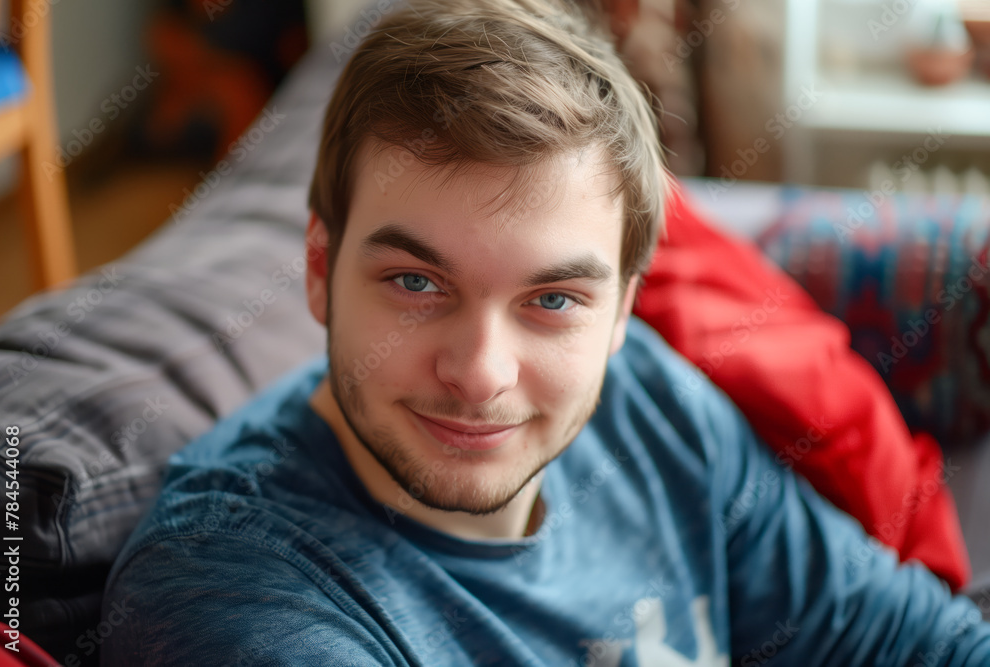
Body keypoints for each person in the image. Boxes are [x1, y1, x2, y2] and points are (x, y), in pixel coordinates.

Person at [101, 0, 990, 664]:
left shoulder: (651, 395)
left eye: (553, 299)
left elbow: (911, 638)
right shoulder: (233, 591)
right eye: (416, 282)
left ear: (620, 309)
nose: (482, 373)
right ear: (318, 270)